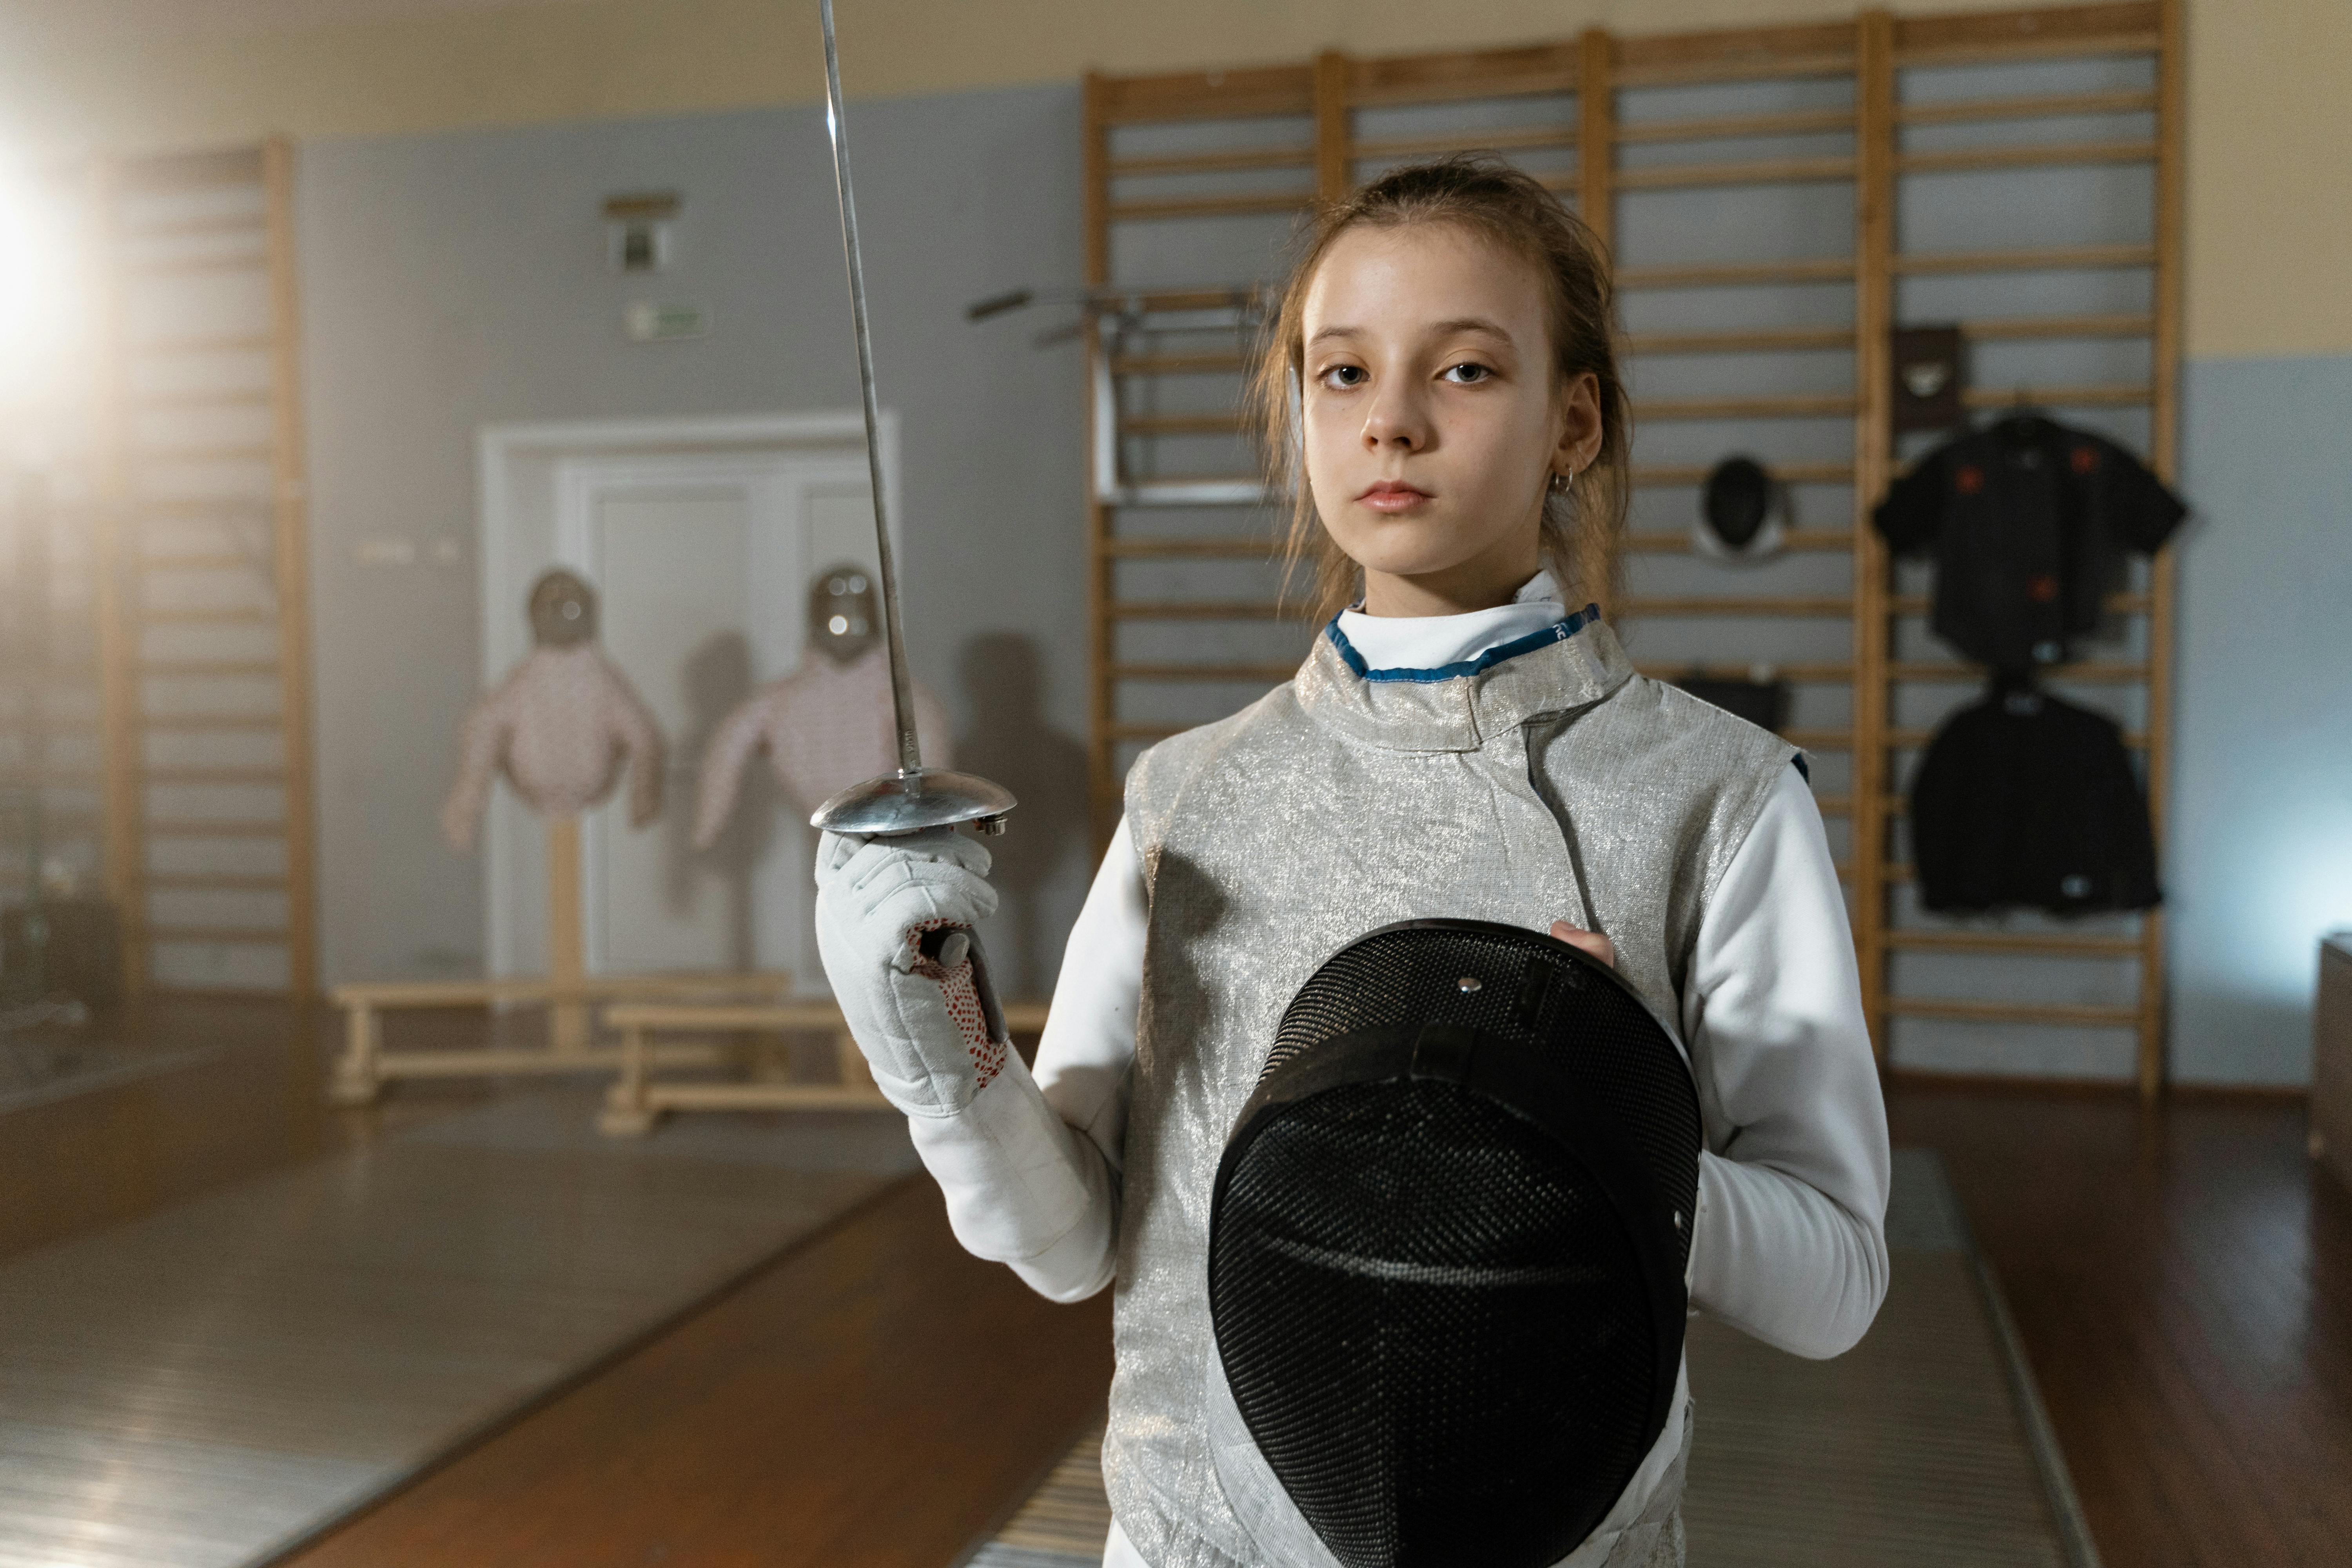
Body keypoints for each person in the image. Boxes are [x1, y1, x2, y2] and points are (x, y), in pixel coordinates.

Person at [815, 158, 1889, 1568]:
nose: (1389, 420)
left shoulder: (1714, 797)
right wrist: (937, 1044)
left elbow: (1837, 1282)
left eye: (1463, 371)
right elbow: (1072, 1240)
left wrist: (1612, 1128)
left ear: (1574, 420)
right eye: (1340, 374)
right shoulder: (1190, 794)